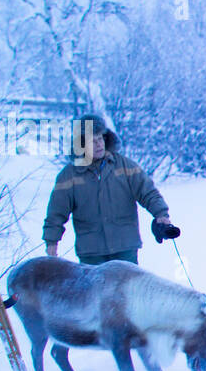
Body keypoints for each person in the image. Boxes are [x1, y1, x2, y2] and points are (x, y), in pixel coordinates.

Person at [42, 114, 180, 265]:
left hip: (125, 247)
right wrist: (51, 242)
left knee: (127, 289)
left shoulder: (125, 166)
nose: (99, 144)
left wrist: (161, 214)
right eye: (92, 141)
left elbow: (148, 193)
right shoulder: (69, 175)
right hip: (92, 254)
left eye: (100, 139)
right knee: (95, 290)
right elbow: (56, 213)